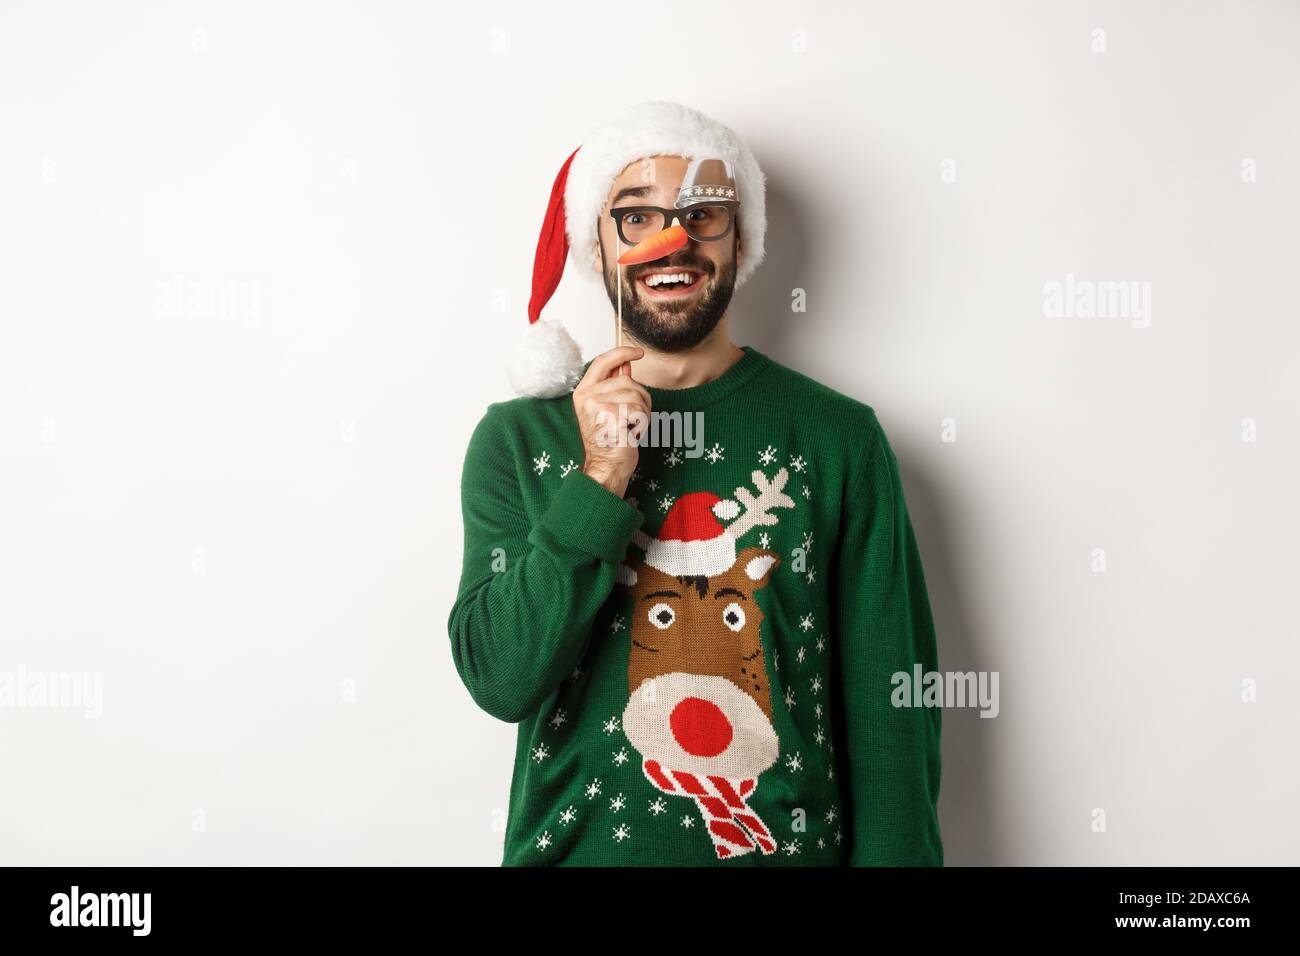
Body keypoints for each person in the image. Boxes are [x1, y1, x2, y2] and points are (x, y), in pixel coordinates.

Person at [448, 101, 942, 866]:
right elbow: (501, 679)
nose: (670, 239)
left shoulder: (840, 439)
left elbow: (891, 719)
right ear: (597, 246)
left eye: (702, 213)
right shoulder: (519, 440)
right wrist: (601, 476)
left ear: (740, 237)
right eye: (635, 217)